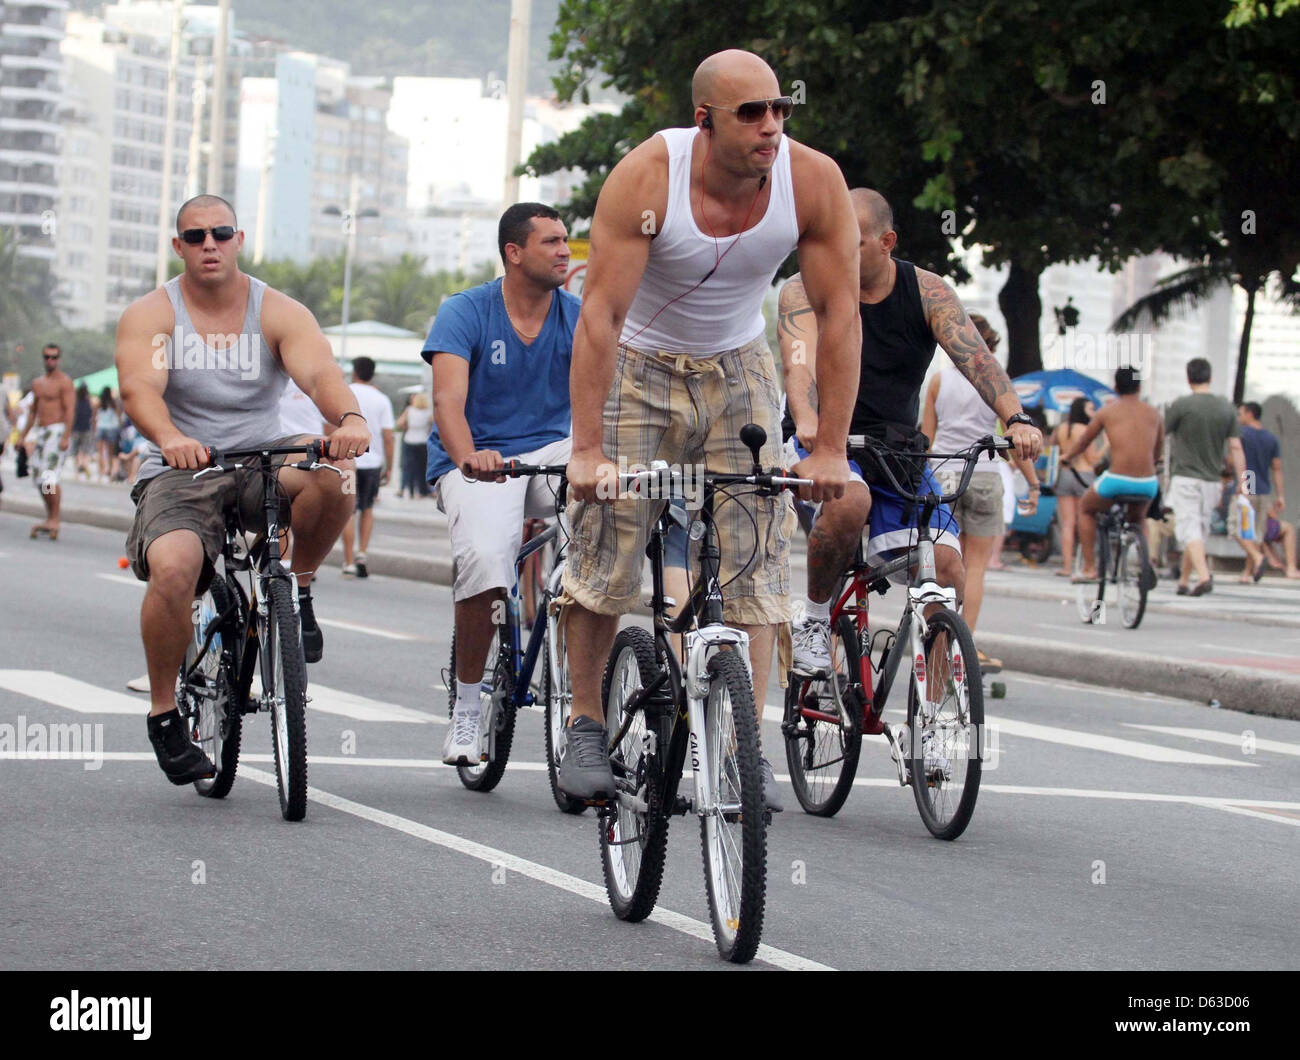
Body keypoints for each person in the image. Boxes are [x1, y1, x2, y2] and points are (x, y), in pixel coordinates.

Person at [559, 50, 866, 810]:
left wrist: (828, 446)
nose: (772, 127)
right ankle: (586, 722)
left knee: (758, 562)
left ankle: (739, 750)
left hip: (739, 365)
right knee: (610, 542)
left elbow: (839, 315)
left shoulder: (814, 181)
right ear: (704, 120)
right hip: (639, 367)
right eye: (751, 113)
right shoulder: (649, 175)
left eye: (779, 110)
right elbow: (601, 315)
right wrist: (588, 450)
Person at [116, 193, 368, 786]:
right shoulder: (153, 313)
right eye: (196, 236)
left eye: (221, 234)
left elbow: (319, 374)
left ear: (239, 239)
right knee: (174, 568)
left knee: (336, 474)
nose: (210, 245)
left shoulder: (277, 310)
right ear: (178, 246)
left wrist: (349, 419)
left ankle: (298, 588)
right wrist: (171, 436)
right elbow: (140, 389)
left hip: (261, 457)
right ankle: (163, 714)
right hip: (185, 467)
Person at [782, 189, 1042, 679]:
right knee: (849, 503)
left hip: (897, 449)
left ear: (886, 242)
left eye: (853, 243)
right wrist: (808, 421)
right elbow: (798, 363)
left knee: (947, 571)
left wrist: (1016, 416)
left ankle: (941, 714)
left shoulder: (927, 291)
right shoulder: (803, 288)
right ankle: (814, 619)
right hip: (823, 444)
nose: (838, 254)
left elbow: (977, 358)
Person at [423, 202, 577, 765]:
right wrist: (469, 458)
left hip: (550, 457)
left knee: (612, 501)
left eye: (566, 240)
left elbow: (604, 404)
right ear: (514, 253)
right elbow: (447, 403)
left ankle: (586, 708)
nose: (564, 251)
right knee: (488, 565)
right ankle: (467, 709)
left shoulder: (580, 316)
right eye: (551, 242)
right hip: (480, 460)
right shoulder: (465, 311)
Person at [922, 314, 1040, 671]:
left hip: (943, 475)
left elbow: (926, 440)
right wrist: (1033, 483)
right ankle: (963, 648)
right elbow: (1014, 437)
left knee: (940, 566)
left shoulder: (938, 382)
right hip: (985, 472)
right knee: (975, 569)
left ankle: (934, 644)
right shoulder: (996, 384)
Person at [1063, 367, 1164, 584]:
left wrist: (1067, 457)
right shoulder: (1154, 413)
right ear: (1139, 386)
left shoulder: (1107, 411)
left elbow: (1083, 442)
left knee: (1086, 508)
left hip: (1116, 479)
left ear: (1116, 387)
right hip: (1148, 483)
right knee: (1138, 519)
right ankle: (1145, 565)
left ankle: (1090, 568)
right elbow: (1157, 453)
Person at [1163, 358, 1246, 595]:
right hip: (1213, 481)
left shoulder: (1181, 405)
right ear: (1210, 377)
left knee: (1190, 529)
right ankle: (1183, 581)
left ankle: (1204, 577)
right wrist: (1243, 483)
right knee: (1198, 530)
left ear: (1188, 378)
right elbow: (1237, 447)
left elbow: (1161, 434)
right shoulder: (1226, 408)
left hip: (1186, 477)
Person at [336, 356, 395, 578]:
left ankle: (349, 561)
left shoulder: (346, 394)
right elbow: (388, 436)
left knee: (348, 510)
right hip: (372, 463)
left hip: (348, 461)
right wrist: (388, 466)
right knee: (367, 508)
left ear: (355, 372)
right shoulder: (382, 399)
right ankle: (362, 553)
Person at [18, 344, 74, 539]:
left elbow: (69, 410)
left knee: (49, 477)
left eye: (54, 357)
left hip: (57, 431)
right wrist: (23, 436)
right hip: (41, 432)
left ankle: (55, 518)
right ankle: (49, 515)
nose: (50, 360)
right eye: (47, 357)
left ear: (59, 359)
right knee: (38, 477)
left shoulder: (64, 382)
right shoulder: (38, 383)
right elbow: (33, 411)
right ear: (43, 358)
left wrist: (66, 435)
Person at [1235, 402, 1295, 580]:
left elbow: (1234, 459)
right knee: (1255, 532)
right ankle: (1247, 571)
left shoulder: (1241, 435)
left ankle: (1258, 557)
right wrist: (1281, 495)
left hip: (1247, 484)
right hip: (1263, 488)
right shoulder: (1271, 438)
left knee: (1238, 528)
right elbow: (1277, 468)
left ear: (1250, 414)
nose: (1239, 418)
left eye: (1241, 413)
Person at [1051, 396, 1106, 576]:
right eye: (1091, 409)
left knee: (1067, 524)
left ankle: (1067, 567)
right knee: (1086, 520)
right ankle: (1086, 565)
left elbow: (1053, 451)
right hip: (1084, 476)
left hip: (1064, 475)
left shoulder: (1061, 429)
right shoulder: (1085, 430)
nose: (1093, 412)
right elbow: (1093, 459)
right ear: (1082, 410)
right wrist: (1106, 444)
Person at [395, 391, 433, 498]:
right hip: (423, 442)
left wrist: (406, 427)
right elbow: (433, 425)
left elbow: (399, 423)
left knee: (408, 467)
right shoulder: (428, 412)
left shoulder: (409, 410)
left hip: (409, 440)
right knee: (421, 468)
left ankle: (408, 490)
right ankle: (422, 491)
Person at [95, 387, 122, 481]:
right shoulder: (113, 403)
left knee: (100, 452)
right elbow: (118, 415)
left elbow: (95, 415)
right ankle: (109, 470)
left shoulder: (99, 403)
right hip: (111, 428)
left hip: (100, 427)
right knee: (110, 452)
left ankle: (101, 471)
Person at [71, 382, 95, 478]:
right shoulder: (89, 401)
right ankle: (85, 464)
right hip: (86, 428)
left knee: (76, 450)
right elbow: (92, 415)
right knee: (86, 449)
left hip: (76, 428)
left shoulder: (75, 401)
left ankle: (76, 471)